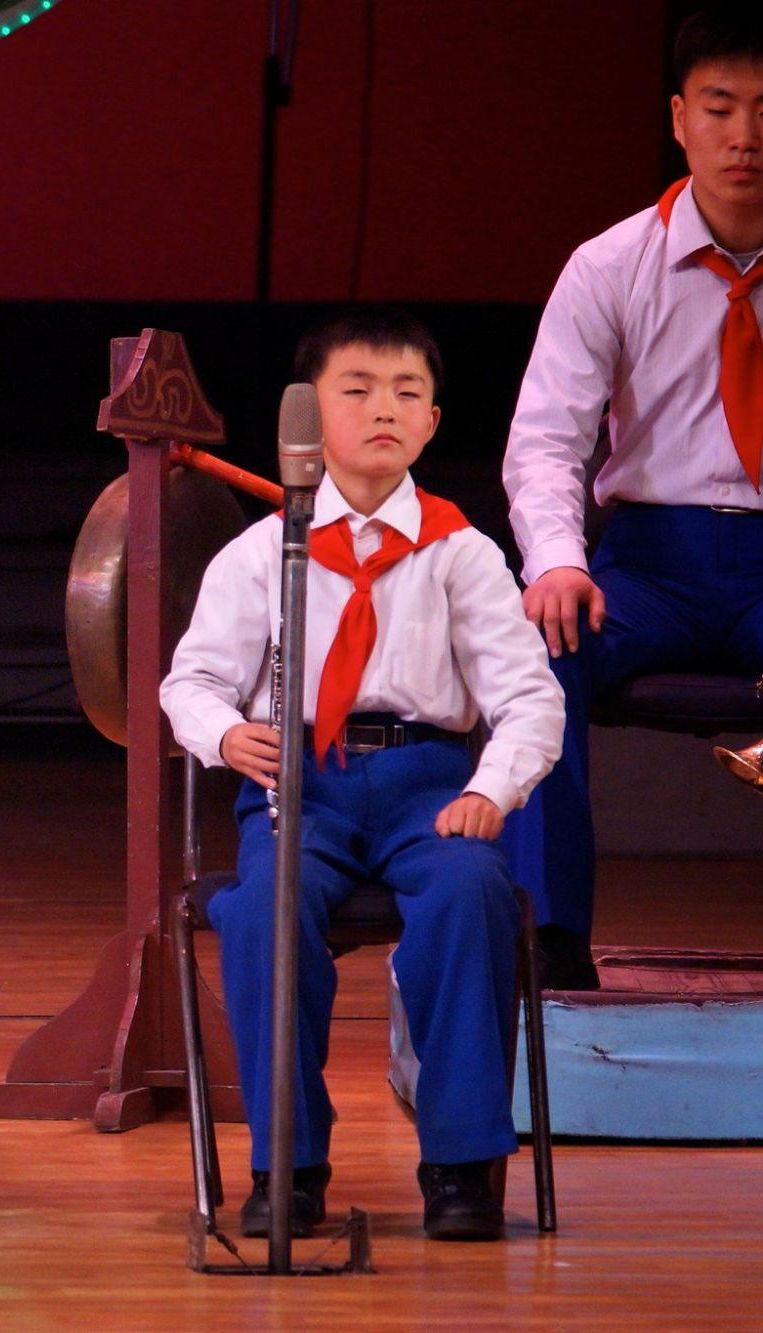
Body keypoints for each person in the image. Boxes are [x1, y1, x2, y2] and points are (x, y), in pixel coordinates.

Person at [160, 310, 563, 1242]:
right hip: (302, 784)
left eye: (407, 393)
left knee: (471, 891)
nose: (385, 409)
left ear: (431, 422)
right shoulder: (263, 551)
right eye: (358, 390)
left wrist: (489, 789)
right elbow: (191, 681)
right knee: (263, 910)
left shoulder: (461, 552)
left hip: (429, 781)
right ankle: (289, 1161)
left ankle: (462, 1163)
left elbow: (529, 698)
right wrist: (226, 733)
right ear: (306, 414)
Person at [501, 3, 763, 988]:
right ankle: (550, 934)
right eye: (719, 108)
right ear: (679, 119)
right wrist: (555, 563)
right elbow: (545, 441)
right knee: (534, 643)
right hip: (649, 563)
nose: (744, 135)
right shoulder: (609, 266)